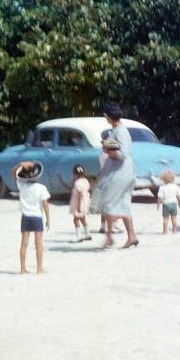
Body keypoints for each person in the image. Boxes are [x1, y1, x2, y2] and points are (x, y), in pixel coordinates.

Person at [90, 101, 139, 249]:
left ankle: (110, 237)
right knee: (121, 202)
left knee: (109, 201)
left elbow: (122, 153)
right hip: (119, 169)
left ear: (109, 116)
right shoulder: (116, 130)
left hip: (120, 170)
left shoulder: (120, 131)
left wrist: (107, 150)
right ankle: (131, 236)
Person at [13, 161, 50, 274]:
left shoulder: (21, 185)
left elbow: (13, 172)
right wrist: (48, 218)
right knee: (38, 244)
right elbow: (45, 204)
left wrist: (21, 164)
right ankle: (39, 268)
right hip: (37, 217)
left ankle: (23, 268)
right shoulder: (41, 188)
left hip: (25, 216)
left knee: (24, 243)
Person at [68, 164, 92, 242]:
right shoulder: (85, 181)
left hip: (79, 203)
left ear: (74, 173)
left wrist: (78, 207)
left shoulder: (77, 183)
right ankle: (87, 234)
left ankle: (78, 236)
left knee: (76, 219)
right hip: (85, 202)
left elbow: (79, 196)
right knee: (83, 218)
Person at [157, 169, 180, 234]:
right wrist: (179, 204)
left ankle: (165, 231)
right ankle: (174, 231)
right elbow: (178, 196)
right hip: (174, 204)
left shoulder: (162, 187)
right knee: (174, 218)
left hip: (166, 204)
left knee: (166, 219)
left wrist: (158, 205)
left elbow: (159, 197)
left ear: (163, 179)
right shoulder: (175, 186)